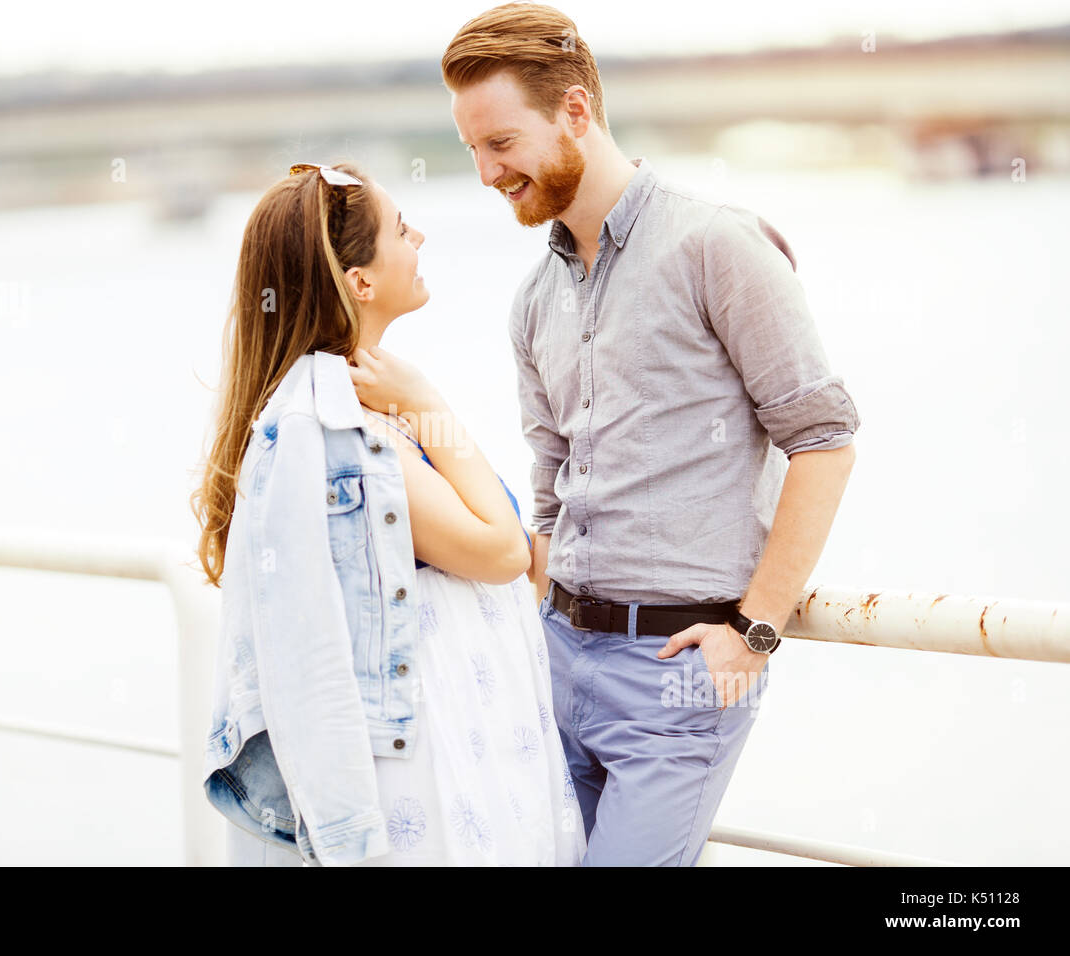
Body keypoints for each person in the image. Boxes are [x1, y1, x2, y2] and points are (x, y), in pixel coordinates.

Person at [440, 4, 862, 865]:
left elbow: (824, 437)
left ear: (575, 111)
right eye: (471, 150)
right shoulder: (532, 300)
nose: (486, 172)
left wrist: (756, 631)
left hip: (678, 672)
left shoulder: (717, 246)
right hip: (555, 660)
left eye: (500, 144)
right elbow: (552, 482)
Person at [191, 160, 586, 866]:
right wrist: (426, 402)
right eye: (402, 230)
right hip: (418, 785)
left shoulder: (319, 410)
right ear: (360, 282)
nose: (421, 237)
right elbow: (505, 552)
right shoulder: (349, 430)